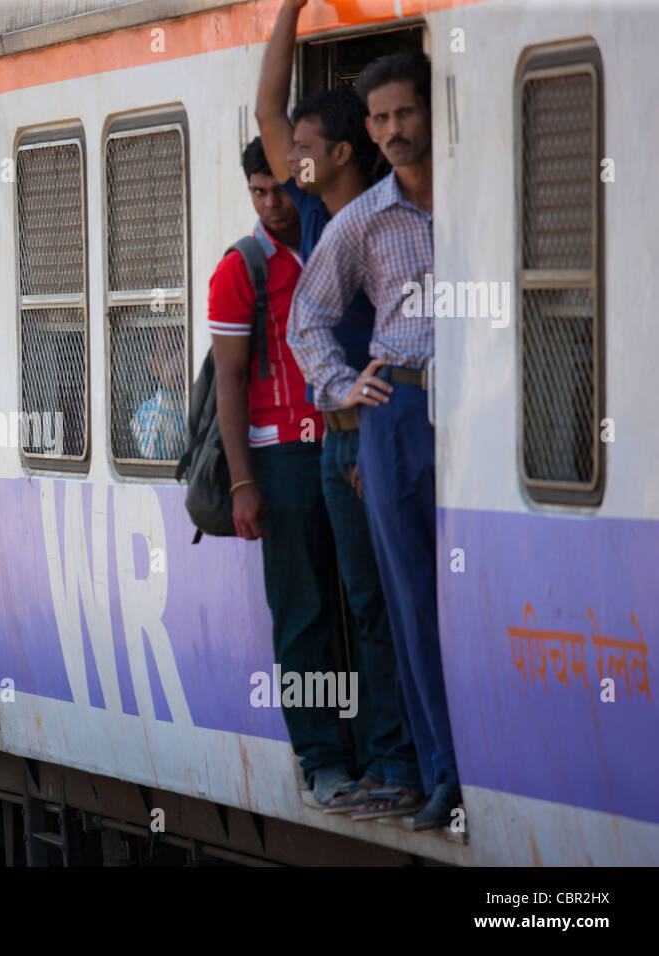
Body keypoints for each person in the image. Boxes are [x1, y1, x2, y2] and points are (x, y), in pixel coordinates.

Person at [257, 0, 422, 819]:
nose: (293, 163)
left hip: (371, 438)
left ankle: (398, 762)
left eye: (308, 153)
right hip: (340, 439)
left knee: (383, 602)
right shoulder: (328, 215)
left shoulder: (365, 217)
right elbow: (267, 110)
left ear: (342, 153)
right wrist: (288, 11)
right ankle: (387, 759)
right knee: (362, 602)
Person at [288, 50, 461, 831]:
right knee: (412, 601)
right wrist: (343, 389)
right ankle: (442, 776)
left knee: (475, 596)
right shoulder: (363, 219)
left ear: (433, 110)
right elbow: (307, 319)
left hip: (483, 414)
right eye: (381, 118)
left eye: (405, 114)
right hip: (397, 415)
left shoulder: (475, 194)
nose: (394, 130)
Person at [211, 138, 354, 806]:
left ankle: (378, 750)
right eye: (258, 193)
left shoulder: (335, 240)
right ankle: (320, 756)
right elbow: (230, 381)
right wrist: (243, 482)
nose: (271, 205)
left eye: (280, 191)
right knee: (303, 614)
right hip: (281, 458)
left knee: (362, 603)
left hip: (347, 445)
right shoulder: (241, 267)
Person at [130, 337, 185, 459]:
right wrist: (169, 376)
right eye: (172, 348)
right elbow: (155, 453)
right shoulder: (143, 414)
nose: (178, 357)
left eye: (182, 347)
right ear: (151, 364)